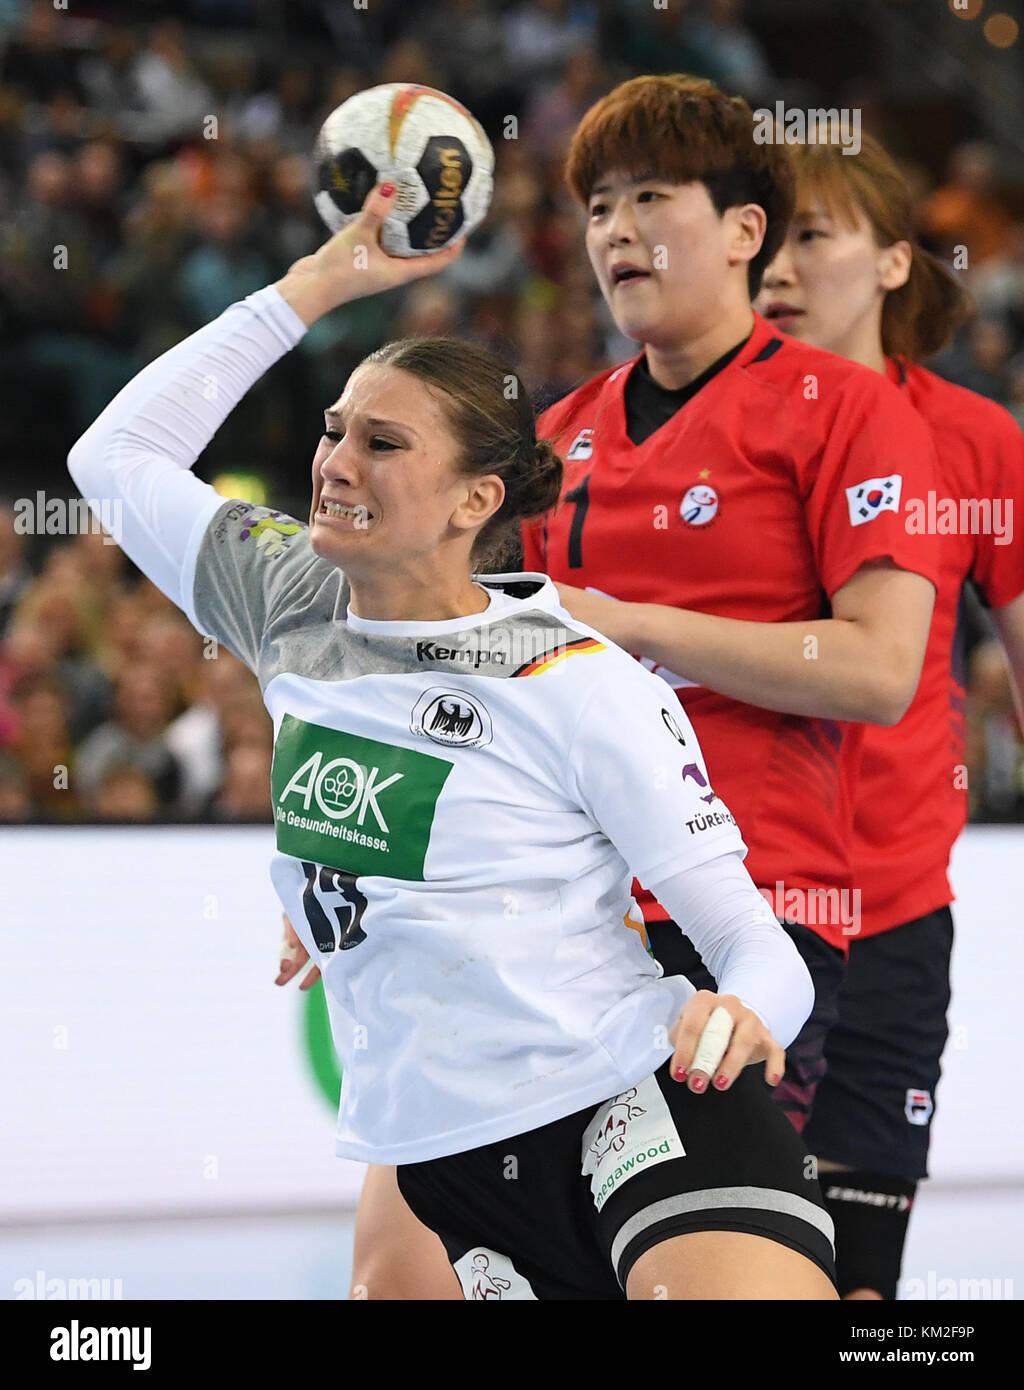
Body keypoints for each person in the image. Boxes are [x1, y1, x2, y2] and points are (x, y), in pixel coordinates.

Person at [68, 184, 836, 1301]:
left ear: (476, 497)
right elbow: (118, 453)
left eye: (382, 444)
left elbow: (749, 943)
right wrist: (318, 286)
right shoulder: (293, 598)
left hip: (632, 1095)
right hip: (441, 1152)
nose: (335, 461)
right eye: (334, 429)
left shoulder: (573, 679)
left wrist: (744, 1008)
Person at [290, 73, 944, 1301]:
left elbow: (878, 669)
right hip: (540, 920)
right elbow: (451, 670)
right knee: (397, 1278)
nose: (615, 229)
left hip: (739, 910)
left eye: (652, 196)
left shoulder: (844, 410)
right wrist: (334, 856)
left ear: (746, 231)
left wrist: (629, 623)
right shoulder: (555, 434)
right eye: (596, 204)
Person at [752, 133, 1024, 1300]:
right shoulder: (701, 425)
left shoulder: (975, 442)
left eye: (811, 235)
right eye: (759, 237)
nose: (777, 268)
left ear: (896, 263)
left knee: (861, 1290)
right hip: (726, 913)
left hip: (895, 917)